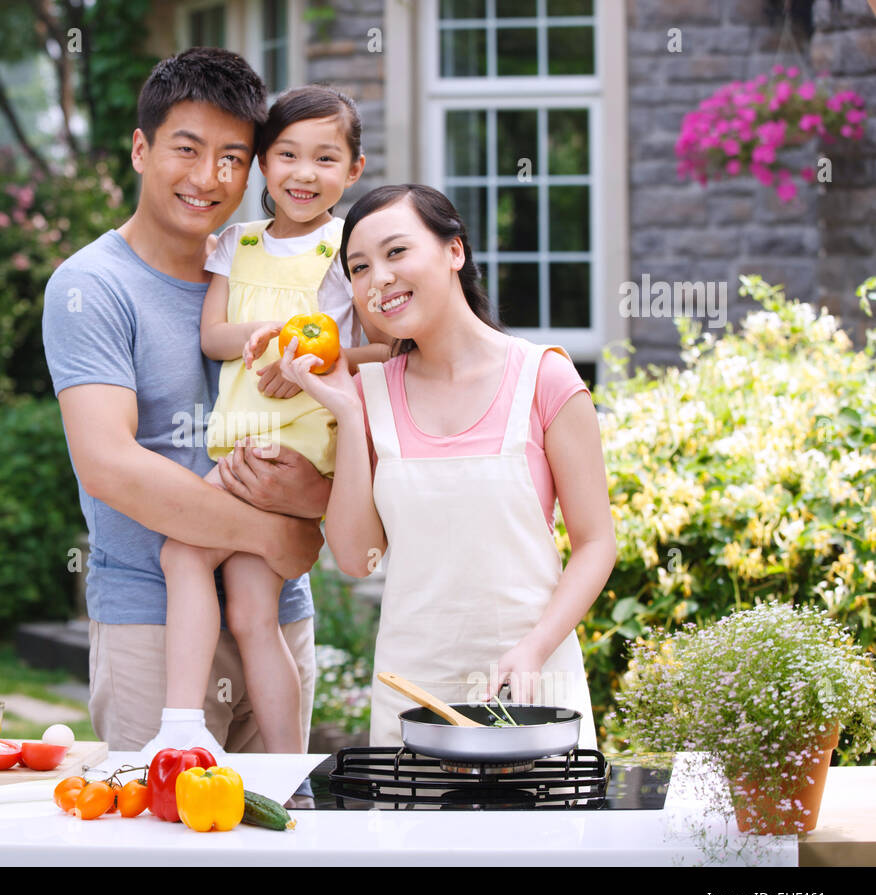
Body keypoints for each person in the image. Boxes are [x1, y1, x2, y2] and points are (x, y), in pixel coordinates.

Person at [41, 49, 328, 757]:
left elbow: (345, 416)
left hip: (279, 613)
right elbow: (111, 466)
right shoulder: (92, 288)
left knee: (285, 830)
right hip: (153, 624)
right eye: (187, 149)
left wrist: (320, 494)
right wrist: (272, 533)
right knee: (165, 843)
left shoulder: (282, 271)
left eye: (233, 157)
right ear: (141, 150)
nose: (209, 179)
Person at [277, 184, 616, 749]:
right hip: (414, 696)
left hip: (532, 694)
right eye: (358, 268)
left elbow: (597, 542)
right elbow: (357, 559)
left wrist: (534, 649)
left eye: (395, 253)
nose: (378, 279)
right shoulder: (366, 395)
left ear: (454, 251)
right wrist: (342, 407)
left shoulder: (545, 380)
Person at [145, 87, 391, 758]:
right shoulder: (238, 244)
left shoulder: (349, 248)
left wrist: (313, 357)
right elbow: (213, 336)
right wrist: (266, 334)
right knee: (254, 616)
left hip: (299, 446)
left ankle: (177, 729)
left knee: (181, 552)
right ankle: (294, 777)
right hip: (247, 445)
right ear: (262, 164)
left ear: (354, 170)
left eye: (325, 158)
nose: (304, 174)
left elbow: (388, 350)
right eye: (286, 155)